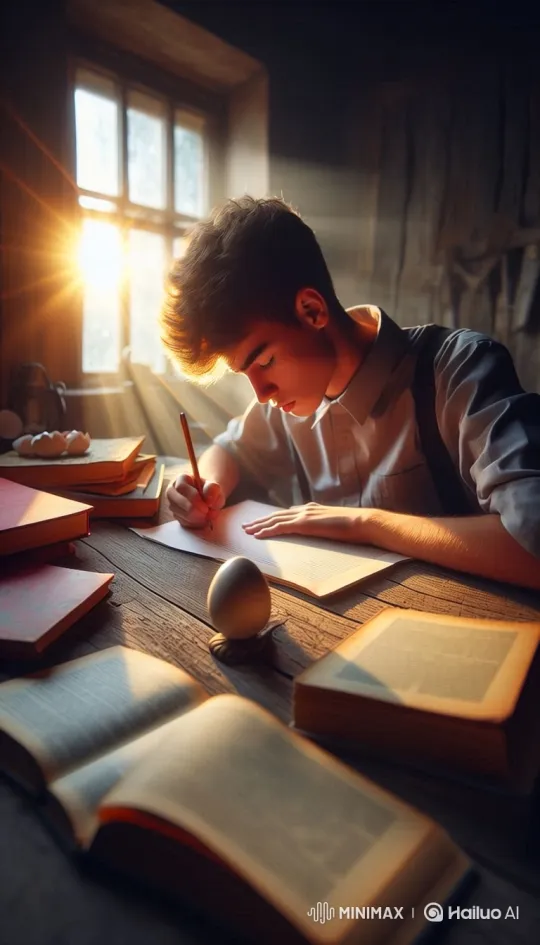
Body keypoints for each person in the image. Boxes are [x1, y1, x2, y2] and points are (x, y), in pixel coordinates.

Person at [160, 196, 540, 591]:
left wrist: (370, 524)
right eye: (245, 373)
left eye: (265, 361)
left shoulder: (458, 371)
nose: (260, 393)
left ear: (312, 311)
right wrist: (202, 483)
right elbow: (233, 447)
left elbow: (532, 545)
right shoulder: (290, 400)